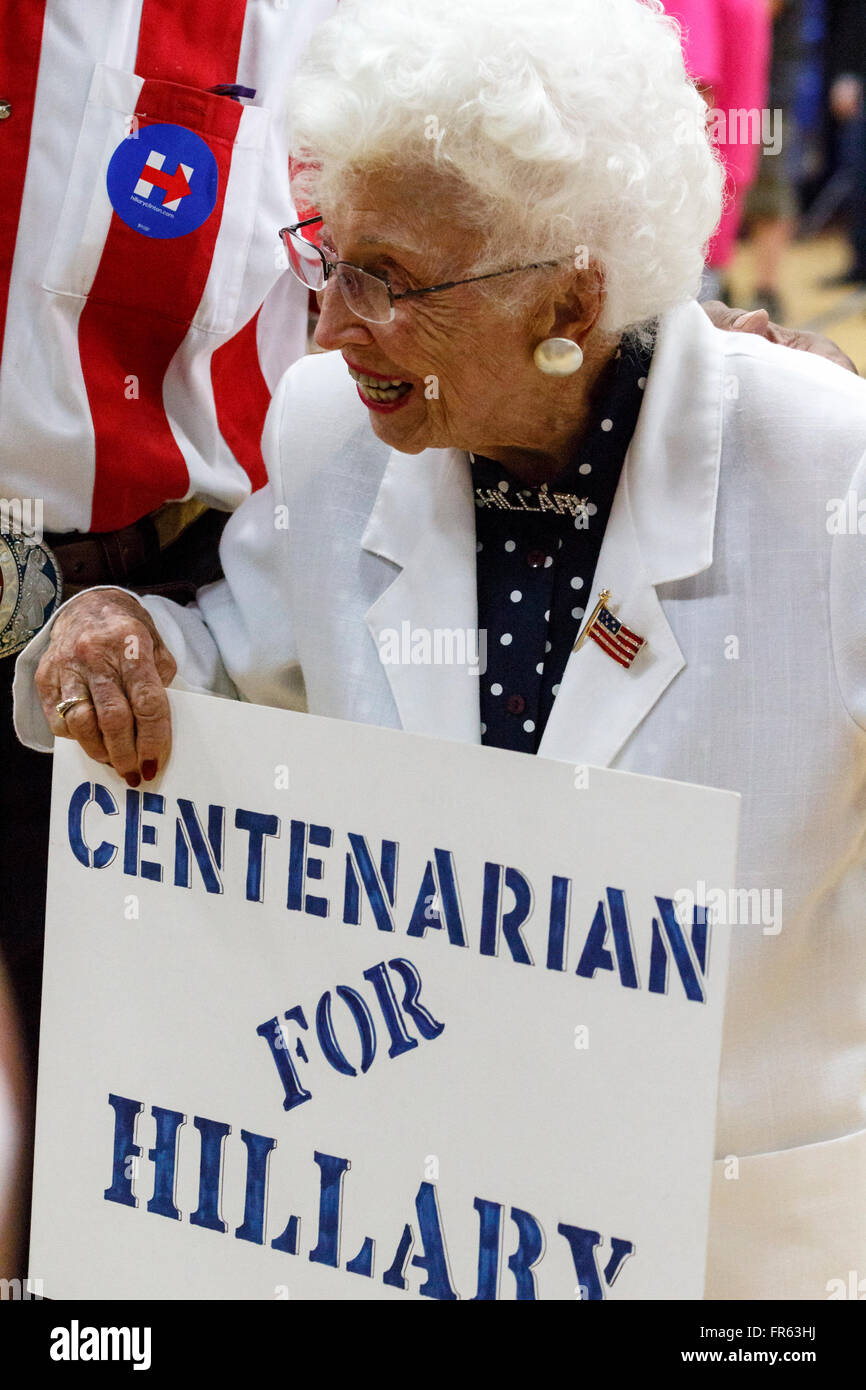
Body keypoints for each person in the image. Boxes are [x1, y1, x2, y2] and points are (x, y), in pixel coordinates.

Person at [13, 0, 866, 1300]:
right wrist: (117, 634)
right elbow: (230, 658)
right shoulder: (329, 436)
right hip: (434, 1216)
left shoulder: (822, 471)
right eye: (328, 259)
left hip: (733, 1250)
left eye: (394, 284)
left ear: (573, 294)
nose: (334, 326)